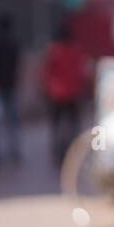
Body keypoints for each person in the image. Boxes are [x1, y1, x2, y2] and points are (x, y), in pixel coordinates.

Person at [43, 21, 91, 168]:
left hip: (56, 94)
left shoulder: (54, 51)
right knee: (73, 125)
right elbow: (84, 73)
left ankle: (57, 153)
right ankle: (72, 152)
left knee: (56, 126)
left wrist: (47, 89)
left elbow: (46, 72)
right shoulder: (77, 51)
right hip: (74, 94)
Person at [0, 12, 22, 163]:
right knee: (12, 120)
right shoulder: (14, 43)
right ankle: (14, 150)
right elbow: (17, 65)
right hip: (10, 85)